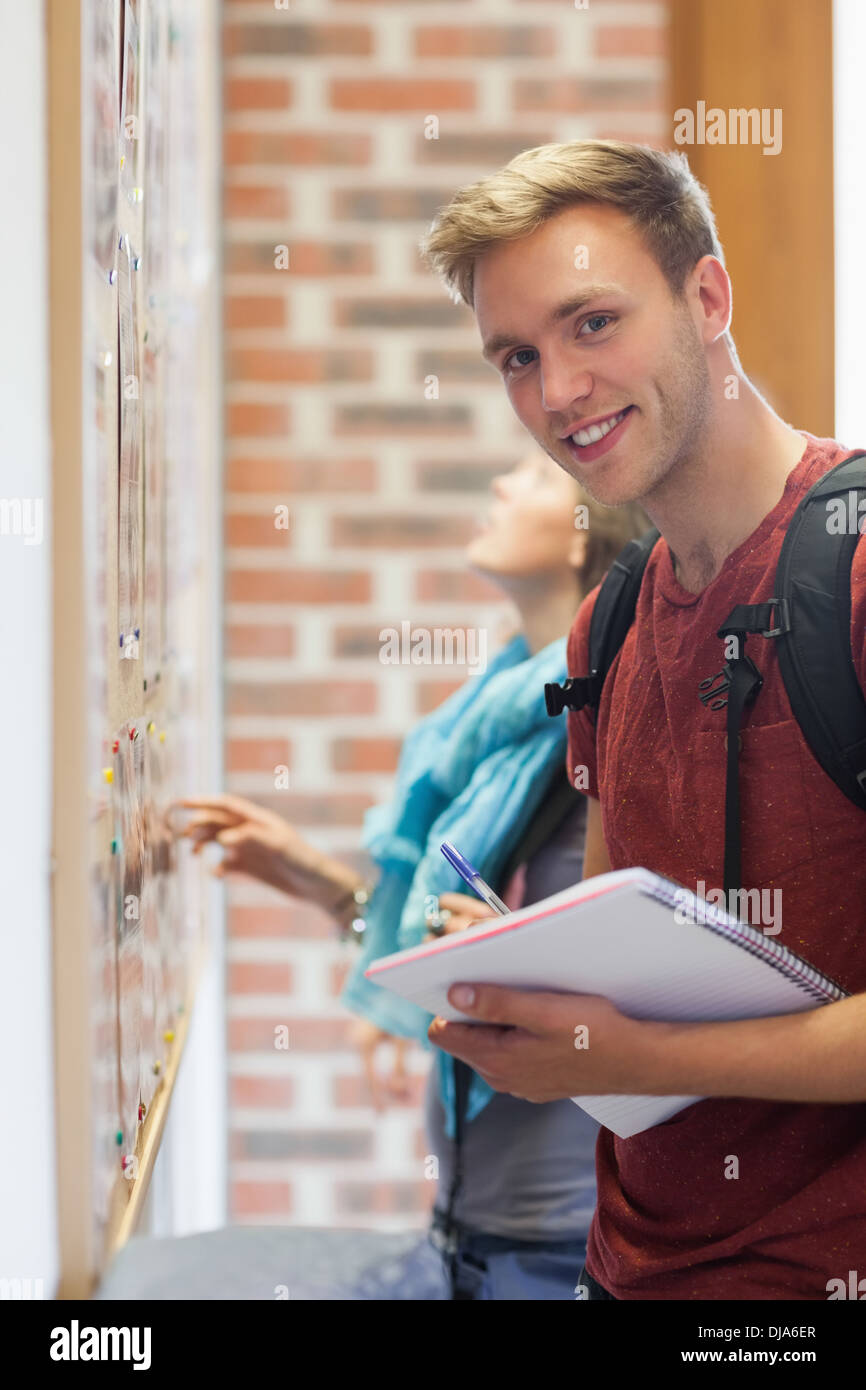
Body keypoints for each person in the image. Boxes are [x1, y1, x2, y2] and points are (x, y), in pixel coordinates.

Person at [419, 138, 866, 1301]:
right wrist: (527, 978)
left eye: (592, 322)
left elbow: (636, 1044)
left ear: (705, 297)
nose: (555, 391)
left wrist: (627, 1055)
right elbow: (638, 947)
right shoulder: (605, 628)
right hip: (622, 1272)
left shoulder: (855, 566)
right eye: (516, 355)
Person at [180, 446, 647, 1299]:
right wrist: (319, 881)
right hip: (467, 1239)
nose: (502, 485)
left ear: (590, 536)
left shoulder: (605, 726)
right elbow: (454, 941)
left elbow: (624, 981)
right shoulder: (499, 711)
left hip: (554, 1256)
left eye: (536, 478)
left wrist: (503, 954)